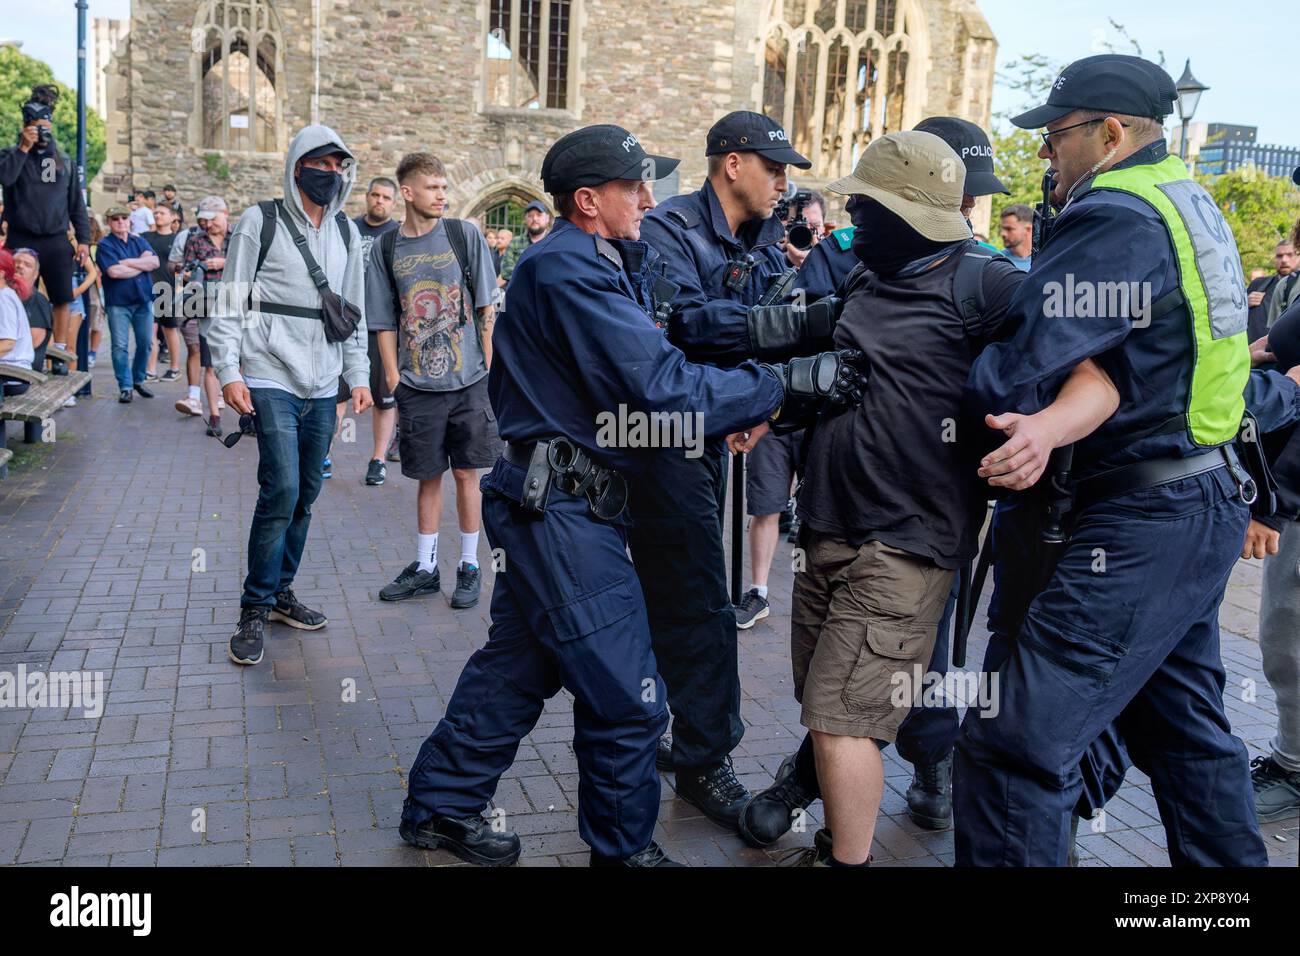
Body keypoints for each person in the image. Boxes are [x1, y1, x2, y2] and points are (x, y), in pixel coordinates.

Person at [398, 123, 861, 867]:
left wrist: (785, 339)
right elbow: (659, 384)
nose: (651, 198)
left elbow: (677, 336)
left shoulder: (600, 260)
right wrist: (782, 387)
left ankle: (441, 806)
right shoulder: (570, 270)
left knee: (519, 668)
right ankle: (622, 854)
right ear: (588, 200)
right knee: (630, 696)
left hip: (560, 502)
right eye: (634, 187)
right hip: (562, 510)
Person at [953, 53, 1274, 867]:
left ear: (1110, 131)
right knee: (1184, 734)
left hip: (1142, 515)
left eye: (1056, 136)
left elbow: (1019, 363)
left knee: (1013, 744)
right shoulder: (1185, 196)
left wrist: (967, 356)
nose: (1045, 154)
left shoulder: (1116, 215)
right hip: (1197, 495)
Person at [634, 110, 838, 830]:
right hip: (660, 441)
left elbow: (748, 340)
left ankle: (677, 734)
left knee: (694, 600)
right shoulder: (669, 231)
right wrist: (802, 329)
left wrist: (761, 402)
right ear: (732, 163)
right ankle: (702, 762)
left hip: (716, 434)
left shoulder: (759, 240)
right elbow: (686, 327)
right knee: (695, 605)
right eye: (774, 166)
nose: (784, 181)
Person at [207, 124, 372, 667]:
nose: (329, 173)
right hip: (268, 371)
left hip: (323, 379)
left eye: (337, 165)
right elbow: (230, 298)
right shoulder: (261, 221)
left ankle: (280, 593)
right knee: (280, 488)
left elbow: (354, 314)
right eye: (319, 163)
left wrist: (360, 376)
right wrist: (228, 370)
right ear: (298, 165)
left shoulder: (349, 234)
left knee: (305, 493)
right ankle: (253, 607)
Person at [368, 153, 498, 609]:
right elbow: (383, 319)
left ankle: (469, 565)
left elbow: (487, 306)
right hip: (417, 386)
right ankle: (425, 567)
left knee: (468, 473)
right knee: (427, 477)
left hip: (468, 382)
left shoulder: (464, 235)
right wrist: (392, 376)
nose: (443, 194)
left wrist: (486, 366)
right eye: (433, 187)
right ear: (408, 192)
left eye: (445, 187)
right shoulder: (387, 249)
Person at [734, 188, 828, 629]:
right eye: (797, 227)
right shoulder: (765, 265)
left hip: (818, 412)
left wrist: (817, 263)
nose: (804, 235)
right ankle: (758, 592)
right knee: (766, 505)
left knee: (820, 512)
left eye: (812, 227)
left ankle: (816, 594)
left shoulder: (839, 266)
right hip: (772, 409)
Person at [0, 84, 90, 371]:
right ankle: (21, 355)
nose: (42, 133)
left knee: (62, 296)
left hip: (54, 240)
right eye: (36, 128)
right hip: (21, 239)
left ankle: (61, 354)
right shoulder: (13, 155)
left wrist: (84, 241)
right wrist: (24, 147)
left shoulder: (58, 162)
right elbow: (6, 178)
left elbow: (75, 204)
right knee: (18, 295)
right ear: (26, 128)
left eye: (45, 126)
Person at [344, 175, 400, 485]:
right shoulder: (349, 230)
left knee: (383, 397)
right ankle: (324, 453)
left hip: (381, 328)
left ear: (394, 203)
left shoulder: (398, 235)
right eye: (375, 195)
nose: (379, 201)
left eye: (385, 197)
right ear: (367, 197)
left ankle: (378, 459)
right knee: (338, 393)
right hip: (347, 323)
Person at [176, 196, 231, 435]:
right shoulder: (195, 240)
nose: (208, 225)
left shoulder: (240, 236)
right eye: (204, 221)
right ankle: (215, 417)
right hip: (206, 304)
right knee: (209, 363)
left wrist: (224, 263)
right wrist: (196, 270)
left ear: (225, 213)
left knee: (244, 364)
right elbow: (184, 272)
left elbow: (256, 266)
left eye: (213, 219)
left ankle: (249, 416)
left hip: (238, 304)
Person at [96, 204, 160, 403]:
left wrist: (126, 262)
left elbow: (155, 262)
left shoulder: (138, 240)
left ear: (130, 220)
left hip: (143, 300)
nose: (120, 222)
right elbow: (113, 272)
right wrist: (141, 264)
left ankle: (138, 380)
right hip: (118, 303)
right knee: (120, 346)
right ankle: (125, 385)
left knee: (146, 343)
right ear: (109, 222)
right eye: (115, 219)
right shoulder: (105, 245)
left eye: (124, 217)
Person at [142, 202, 182, 382]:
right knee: (151, 329)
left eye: (162, 213)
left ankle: (174, 368)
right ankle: (150, 370)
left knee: (170, 330)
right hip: (148, 290)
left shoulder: (177, 239)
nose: (158, 216)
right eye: (155, 213)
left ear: (173, 217)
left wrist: (180, 288)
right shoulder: (146, 237)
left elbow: (181, 267)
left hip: (168, 290)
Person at [0, 248, 37, 396]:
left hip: (11, 375)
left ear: (1, 273)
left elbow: (8, 343)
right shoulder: (6, 294)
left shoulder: (3, 298)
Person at [12, 249, 51, 371]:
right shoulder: (6, 296)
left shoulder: (36, 300)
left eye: (27, 265)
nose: (20, 266)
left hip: (20, 371)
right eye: (16, 262)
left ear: (35, 275)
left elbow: (33, 342)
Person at [496, 201, 550, 288]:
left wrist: (522, 273)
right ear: (525, 219)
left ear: (547, 218)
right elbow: (506, 271)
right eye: (530, 216)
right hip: (520, 296)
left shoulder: (555, 242)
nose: (534, 219)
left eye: (539, 215)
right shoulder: (515, 242)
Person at [998, 204, 1034, 271]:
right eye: (1002, 229)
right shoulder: (998, 261)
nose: (1002, 234)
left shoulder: (1044, 261)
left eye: (1009, 229)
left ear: (1028, 229)